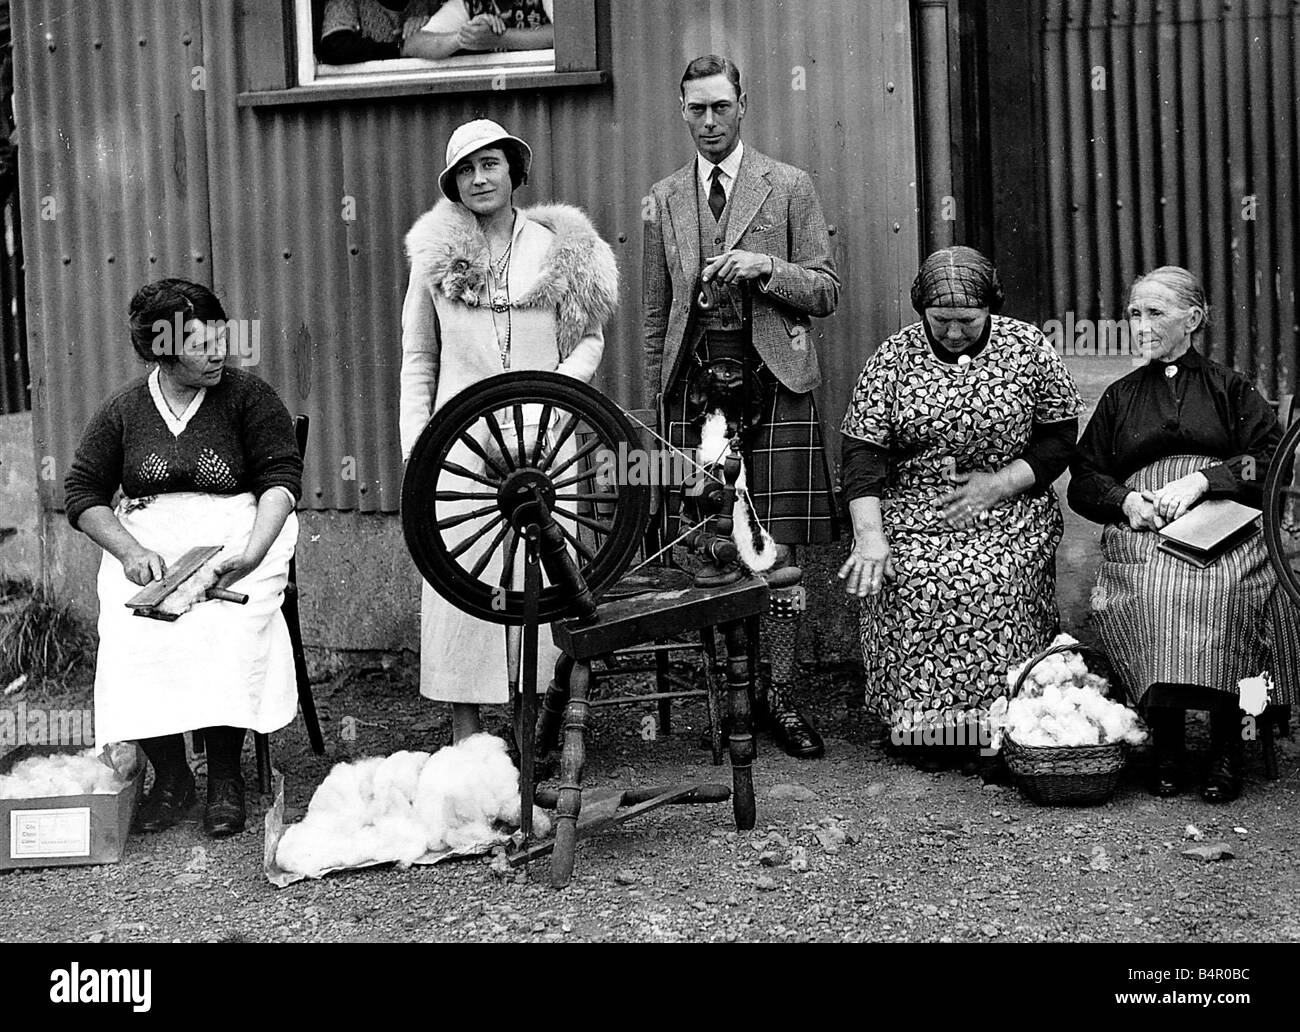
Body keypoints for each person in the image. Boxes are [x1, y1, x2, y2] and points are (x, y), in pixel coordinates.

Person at [643, 55, 840, 759]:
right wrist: (658, 405)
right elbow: (654, 315)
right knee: (711, 548)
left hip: (776, 386)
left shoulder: (787, 187)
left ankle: (777, 693)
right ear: (682, 110)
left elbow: (825, 290)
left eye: (720, 107)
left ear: (744, 104)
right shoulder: (664, 198)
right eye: (695, 109)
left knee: (778, 552)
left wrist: (765, 268)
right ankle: (727, 700)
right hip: (695, 398)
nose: (708, 122)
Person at [400, 118, 617, 743]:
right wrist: (420, 448)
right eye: (465, 170)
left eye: (490, 164)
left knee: (539, 586)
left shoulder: (559, 247)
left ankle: (532, 737)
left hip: (544, 444)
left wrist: (545, 401)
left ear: (514, 172)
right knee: (458, 588)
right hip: (458, 448)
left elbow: (588, 342)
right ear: (453, 184)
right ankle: (468, 742)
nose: (479, 178)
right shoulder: (434, 257)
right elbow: (419, 358)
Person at [64, 279, 303, 837]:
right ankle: (173, 778)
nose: (217, 351)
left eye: (220, 336)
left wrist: (251, 552)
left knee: (222, 621)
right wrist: (128, 550)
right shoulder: (125, 408)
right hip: (152, 544)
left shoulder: (249, 396)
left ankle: (225, 777)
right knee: (133, 630)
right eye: (199, 344)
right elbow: (82, 493)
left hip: (241, 536)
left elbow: (281, 480)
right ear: (162, 351)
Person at [839, 247, 1083, 770]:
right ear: (921, 311)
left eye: (967, 322)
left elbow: (1060, 438)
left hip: (1008, 501)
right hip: (914, 504)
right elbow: (863, 452)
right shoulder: (892, 357)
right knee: (913, 575)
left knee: (994, 574)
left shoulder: (1027, 347)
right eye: (940, 321)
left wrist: (998, 485)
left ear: (990, 309)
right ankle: (922, 728)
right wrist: (869, 534)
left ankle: (1008, 723)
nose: (953, 333)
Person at [1068, 266, 1300, 802]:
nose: (1141, 324)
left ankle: (1227, 749)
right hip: (1146, 525)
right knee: (1152, 591)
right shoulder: (1121, 396)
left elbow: (1270, 463)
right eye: (1133, 314)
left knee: (1225, 592)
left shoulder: (1229, 388)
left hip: (1226, 521)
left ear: (1192, 319)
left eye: (1155, 313)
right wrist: (1124, 501)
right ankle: (1167, 748)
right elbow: (1085, 477)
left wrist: (1204, 479)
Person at [402, 0, 554, 61]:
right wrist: (465, 37)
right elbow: (413, 44)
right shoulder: (468, 2)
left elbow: (568, 34)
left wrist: (499, 39)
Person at [317, 0, 440, 64]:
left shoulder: (426, 3)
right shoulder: (346, 2)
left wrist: (429, 26)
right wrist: (401, 49)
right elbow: (335, 46)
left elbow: (453, 36)